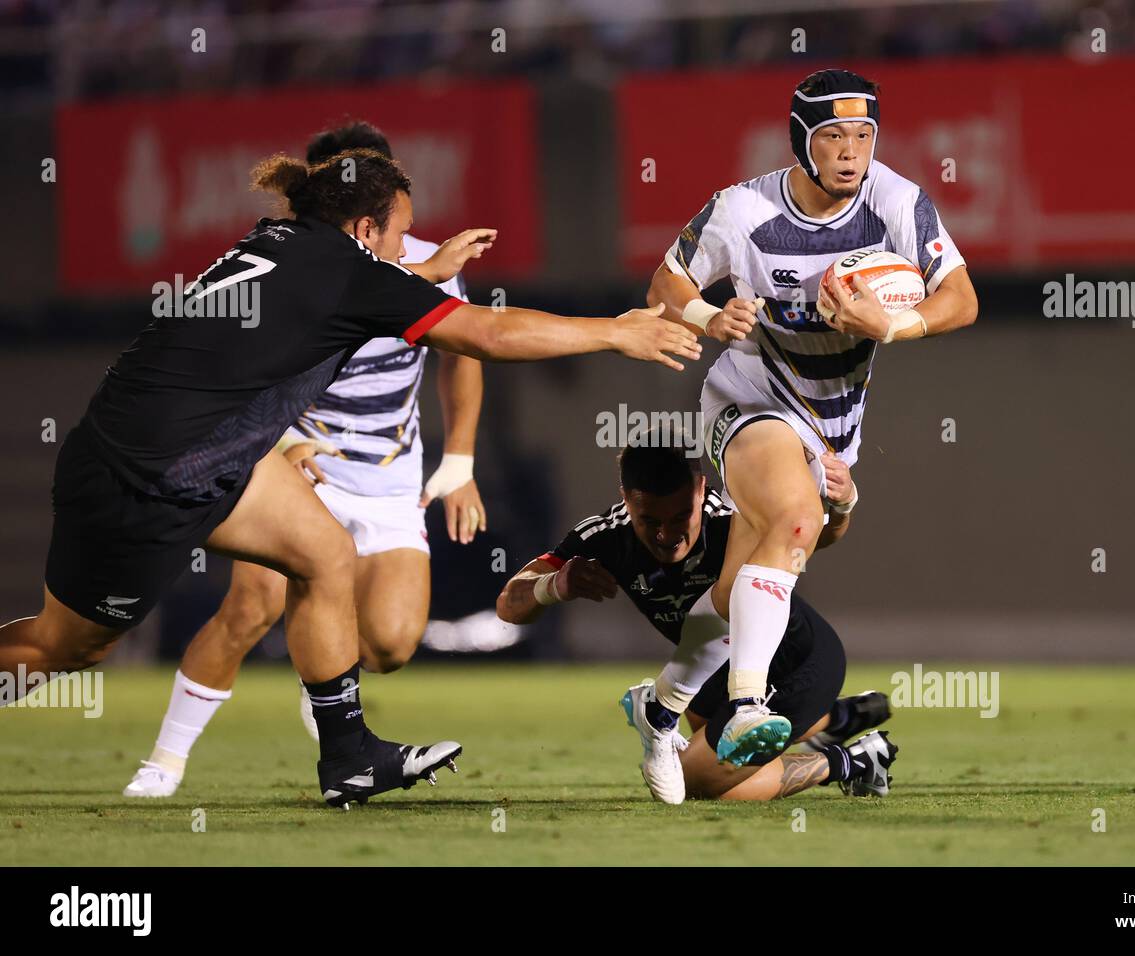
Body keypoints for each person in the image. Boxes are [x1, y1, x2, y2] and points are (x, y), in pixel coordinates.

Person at [1, 146, 701, 809]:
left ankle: (348, 757)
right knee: (71, 647)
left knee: (323, 552)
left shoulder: (282, 241)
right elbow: (486, 334)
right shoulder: (346, 273)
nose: (407, 246)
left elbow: (347, 294)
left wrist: (418, 278)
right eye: (399, 233)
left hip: (197, 453)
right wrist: (616, 332)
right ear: (365, 228)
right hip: (142, 477)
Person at [122, 122, 489, 798]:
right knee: (250, 607)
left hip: (386, 479)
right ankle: (164, 763)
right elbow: (237, 367)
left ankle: (324, 686)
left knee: (391, 644)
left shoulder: (429, 259)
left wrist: (459, 459)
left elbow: (466, 352)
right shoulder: (280, 265)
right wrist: (285, 441)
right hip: (298, 469)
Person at [646, 69, 977, 766]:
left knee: (752, 578)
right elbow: (664, 285)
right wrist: (709, 314)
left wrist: (897, 324)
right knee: (796, 520)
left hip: (833, 426)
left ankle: (657, 706)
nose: (852, 151)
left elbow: (962, 298)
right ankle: (743, 706)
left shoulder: (895, 202)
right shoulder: (742, 211)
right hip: (749, 397)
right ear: (801, 140)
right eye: (833, 136)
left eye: (864, 135)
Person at [496, 439, 895, 803]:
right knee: (703, 728)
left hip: (799, 664)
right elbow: (508, 605)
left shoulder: (731, 522)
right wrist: (553, 586)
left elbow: (814, 536)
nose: (668, 535)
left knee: (696, 785)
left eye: (681, 516)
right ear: (626, 500)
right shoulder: (605, 537)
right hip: (712, 676)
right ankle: (838, 719)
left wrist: (842, 506)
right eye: (649, 521)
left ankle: (854, 761)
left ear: (702, 489)